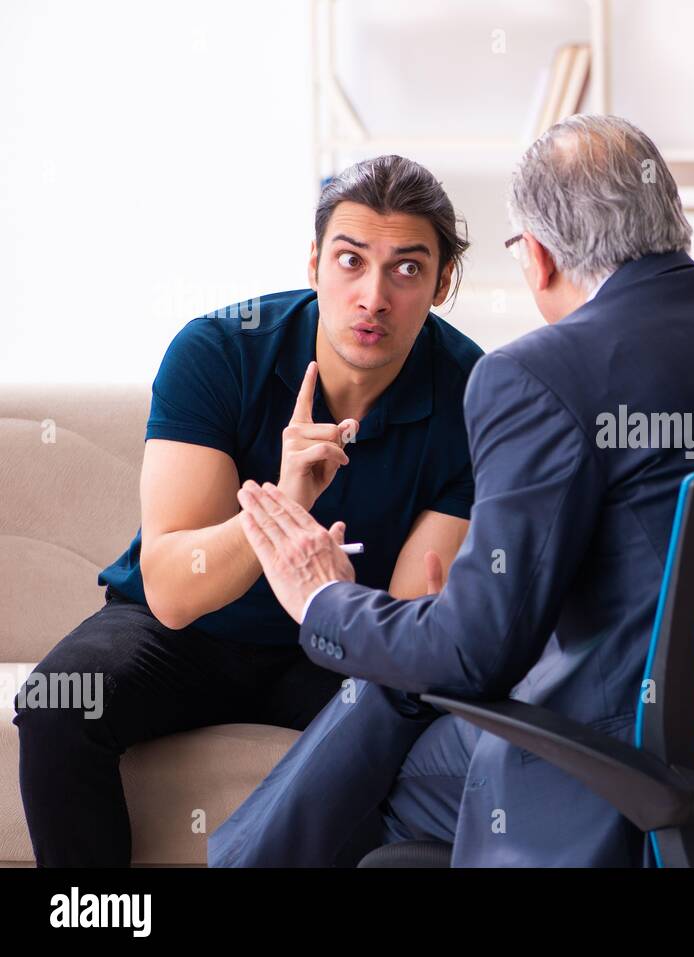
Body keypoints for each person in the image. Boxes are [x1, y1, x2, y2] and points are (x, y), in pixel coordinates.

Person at [211, 114, 694, 867]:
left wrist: (323, 599)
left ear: (540, 255)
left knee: (383, 724)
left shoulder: (540, 373)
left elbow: (472, 654)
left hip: (636, 769)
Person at [13, 154, 482, 866]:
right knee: (56, 704)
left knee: (413, 723)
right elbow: (172, 590)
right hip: (189, 631)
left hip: (337, 640)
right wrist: (286, 502)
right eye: (350, 261)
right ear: (315, 263)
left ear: (443, 283)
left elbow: (414, 625)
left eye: (407, 269)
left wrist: (330, 600)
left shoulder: (477, 393)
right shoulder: (219, 349)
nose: (373, 296)